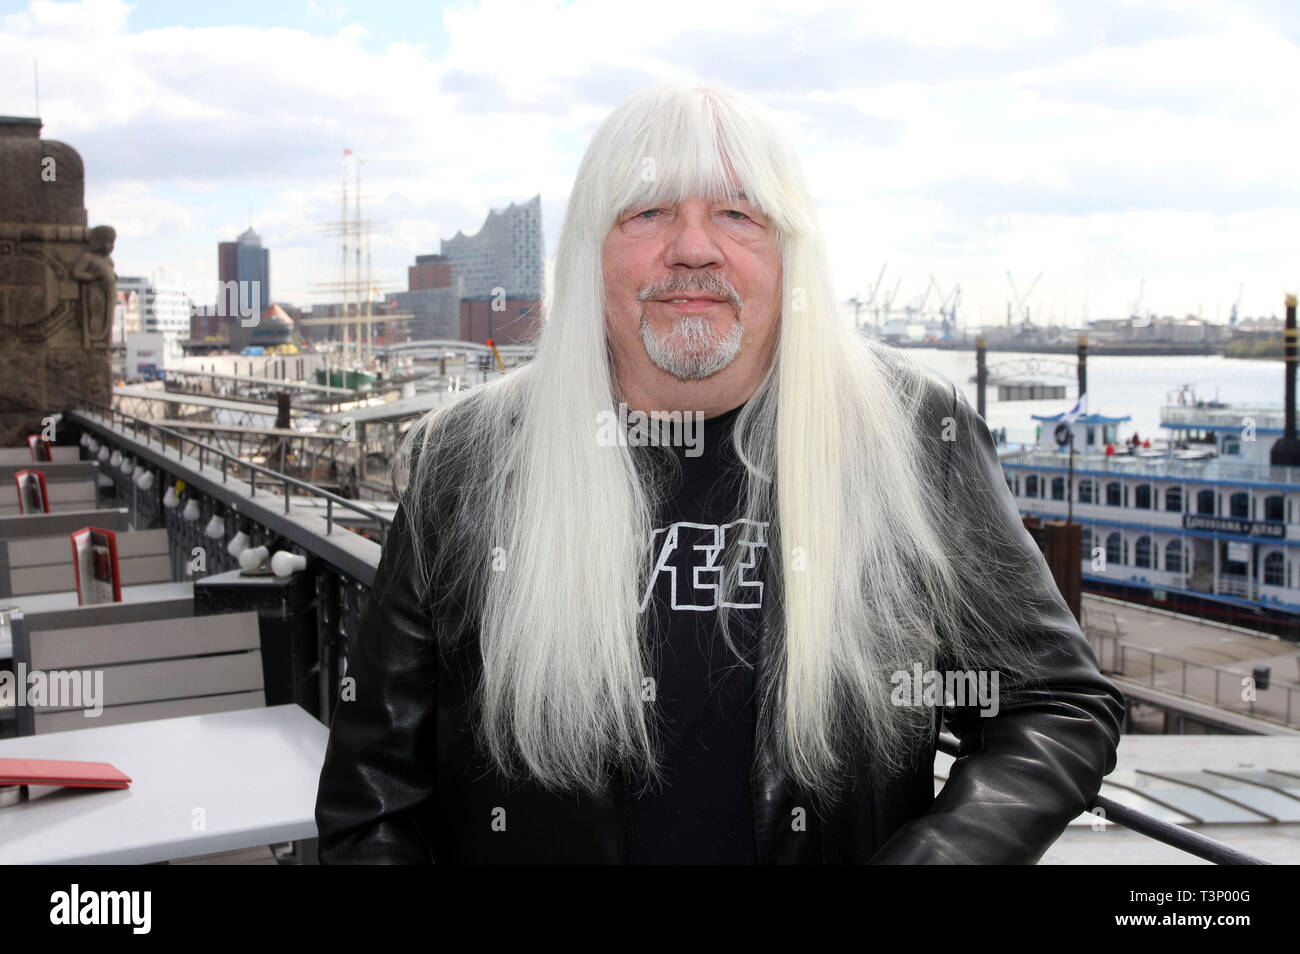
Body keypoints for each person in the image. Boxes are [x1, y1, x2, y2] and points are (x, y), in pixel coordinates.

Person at [314, 82, 1124, 864]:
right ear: (591, 254)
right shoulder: (467, 460)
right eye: (649, 211)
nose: (694, 247)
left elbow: (1054, 703)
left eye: (738, 214)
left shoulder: (911, 436)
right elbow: (372, 799)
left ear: (789, 254)